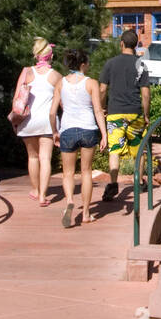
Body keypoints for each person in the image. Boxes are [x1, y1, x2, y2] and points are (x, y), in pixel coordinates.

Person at [50, 48, 108, 227]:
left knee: (68, 173)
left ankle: (69, 202)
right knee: (86, 172)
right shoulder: (91, 83)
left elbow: (52, 112)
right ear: (83, 64)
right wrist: (104, 134)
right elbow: (98, 110)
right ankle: (86, 213)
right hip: (88, 129)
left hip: (67, 129)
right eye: (88, 63)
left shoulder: (61, 83)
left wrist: (54, 131)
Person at [99, 29, 152, 200]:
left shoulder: (110, 64)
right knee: (140, 150)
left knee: (114, 150)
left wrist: (102, 107)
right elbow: (145, 94)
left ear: (121, 43)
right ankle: (139, 181)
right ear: (136, 46)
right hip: (135, 113)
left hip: (115, 113)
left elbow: (102, 89)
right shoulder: (141, 65)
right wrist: (145, 114)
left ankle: (113, 183)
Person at [13, 38, 62, 206]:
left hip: (28, 121)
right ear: (51, 56)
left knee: (33, 157)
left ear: (36, 55)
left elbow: (17, 99)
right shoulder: (55, 76)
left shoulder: (26, 72)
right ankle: (43, 196)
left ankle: (35, 190)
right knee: (45, 159)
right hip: (47, 122)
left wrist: (15, 120)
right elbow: (63, 102)